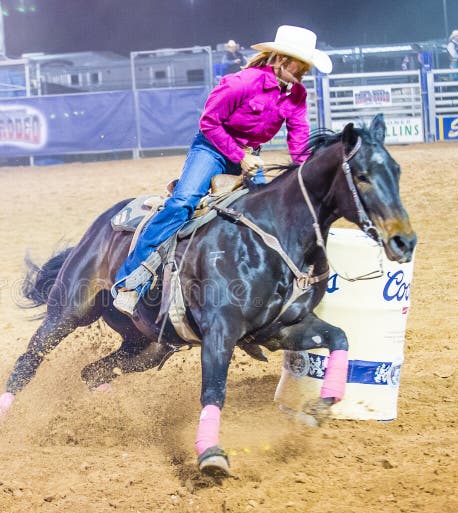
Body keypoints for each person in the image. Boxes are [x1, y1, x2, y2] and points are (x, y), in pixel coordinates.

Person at [112, 25, 333, 316]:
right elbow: (209, 123)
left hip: (249, 157)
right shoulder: (241, 83)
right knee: (183, 203)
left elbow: (299, 139)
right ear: (281, 60)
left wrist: (307, 173)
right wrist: (239, 156)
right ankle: (131, 283)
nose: (304, 72)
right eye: (301, 65)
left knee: (269, 216)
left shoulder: (297, 95)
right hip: (212, 150)